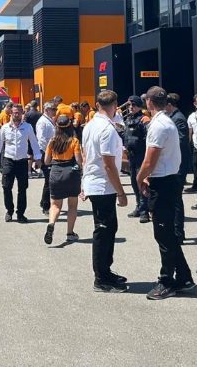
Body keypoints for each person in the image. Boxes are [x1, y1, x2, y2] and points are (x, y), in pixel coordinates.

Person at [135, 87, 194, 300]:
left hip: (163, 183)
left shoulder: (159, 125)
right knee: (166, 233)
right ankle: (185, 277)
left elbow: (150, 160)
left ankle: (167, 280)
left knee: (163, 234)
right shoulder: (164, 121)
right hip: (167, 179)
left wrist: (139, 177)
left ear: (150, 102)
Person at [80, 90, 129, 293]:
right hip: (103, 185)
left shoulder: (90, 125)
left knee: (109, 229)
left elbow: (86, 156)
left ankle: (106, 272)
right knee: (103, 231)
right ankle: (101, 278)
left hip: (96, 182)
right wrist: (121, 192)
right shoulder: (107, 129)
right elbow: (109, 164)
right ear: (115, 105)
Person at [0, 104, 43, 222]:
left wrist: (38, 158)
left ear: (22, 114)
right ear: (11, 113)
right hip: (8, 160)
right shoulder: (5, 128)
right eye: (14, 112)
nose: (16, 114)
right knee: (6, 187)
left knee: (22, 189)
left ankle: (20, 213)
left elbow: (34, 143)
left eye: (19, 113)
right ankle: (9, 211)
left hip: (22, 161)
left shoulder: (28, 127)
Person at [43, 115, 84, 245]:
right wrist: (81, 169)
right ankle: (70, 233)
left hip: (56, 172)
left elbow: (47, 161)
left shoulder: (52, 141)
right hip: (71, 173)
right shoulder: (74, 141)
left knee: (55, 204)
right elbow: (79, 160)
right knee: (72, 205)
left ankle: (51, 224)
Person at [165, 93, 190, 241]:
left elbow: (181, 141)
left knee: (176, 199)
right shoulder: (172, 117)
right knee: (173, 198)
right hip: (175, 162)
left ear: (169, 105)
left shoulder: (178, 118)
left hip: (179, 164)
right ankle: (175, 230)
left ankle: (178, 233)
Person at [123, 96, 151, 223]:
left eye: (133, 105)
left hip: (141, 155)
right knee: (134, 183)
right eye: (129, 105)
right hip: (131, 156)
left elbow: (149, 136)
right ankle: (139, 207)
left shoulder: (144, 119)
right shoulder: (128, 119)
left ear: (139, 106)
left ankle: (145, 211)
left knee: (142, 183)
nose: (130, 107)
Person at [35, 102, 57, 216]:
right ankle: (46, 206)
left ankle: (44, 201)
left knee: (49, 180)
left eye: (55, 109)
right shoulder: (42, 122)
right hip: (46, 153)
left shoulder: (49, 120)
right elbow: (41, 139)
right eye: (53, 109)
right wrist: (48, 152)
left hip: (51, 153)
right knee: (49, 181)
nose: (55, 111)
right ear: (46, 109)